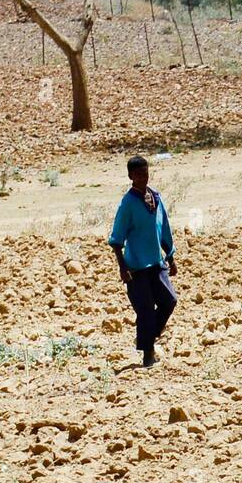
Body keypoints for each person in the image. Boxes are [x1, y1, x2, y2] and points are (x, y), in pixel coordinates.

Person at [108, 155, 177, 366]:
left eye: (145, 174)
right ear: (130, 176)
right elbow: (117, 238)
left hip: (156, 263)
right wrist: (122, 266)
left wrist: (171, 256)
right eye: (137, 175)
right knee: (145, 308)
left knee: (169, 301)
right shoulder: (127, 204)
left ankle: (147, 336)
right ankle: (148, 354)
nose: (142, 178)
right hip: (136, 267)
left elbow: (164, 229)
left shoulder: (155, 198)